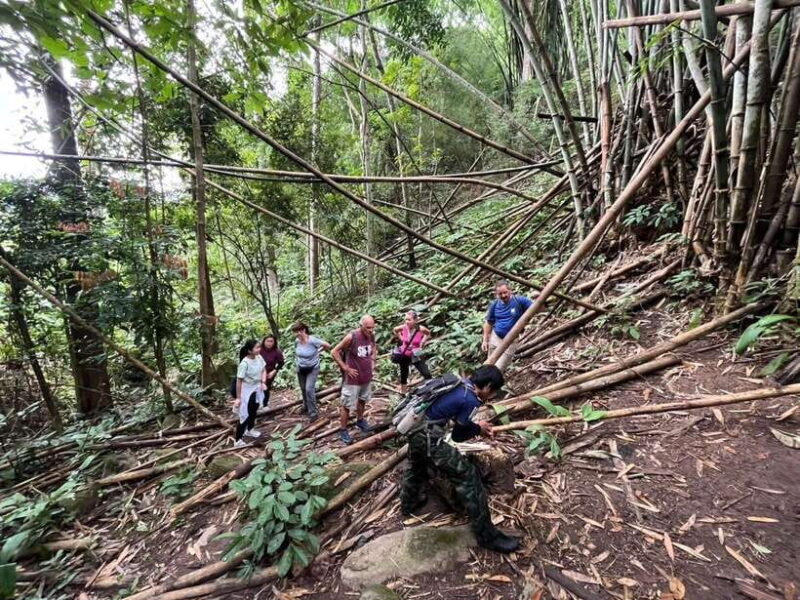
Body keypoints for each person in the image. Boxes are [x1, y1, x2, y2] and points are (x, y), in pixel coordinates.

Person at [400, 365, 520, 553]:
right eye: (493, 392)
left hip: (415, 431)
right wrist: (478, 428)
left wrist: (475, 426)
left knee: (416, 466)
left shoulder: (458, 383)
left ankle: (408, 504)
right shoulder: (470, 399)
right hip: (429, 439)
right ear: (488, 386)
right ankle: (487, 536)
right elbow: (458, 436)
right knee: (469, 476)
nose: (491, 396)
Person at [332, 315, 377, 445]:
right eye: (368, 328)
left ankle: (360, 420)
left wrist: (373, 361)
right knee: (347, 405)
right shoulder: (352, 337)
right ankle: (343, 430)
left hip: (366, 376)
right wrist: (345, 368)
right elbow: (334, 352)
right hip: (352, 378)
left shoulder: (371, 335)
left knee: (362, 399)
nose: (370, 330)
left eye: (372, 327)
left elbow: (374, 348)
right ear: (361, 326)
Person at [482, 279, 533, 372]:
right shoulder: (495, 304)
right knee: (489, 366)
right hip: (495, 338)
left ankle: (494, 380)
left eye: (505, 292)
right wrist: (485, 340)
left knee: (498, 369)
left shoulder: (519, 301)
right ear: (496, 294)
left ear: (510, 290)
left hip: (511, 341)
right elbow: (488, 322)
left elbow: (536, 307)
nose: (503, 295)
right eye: (500, 294)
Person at [293, 322, 330, 422]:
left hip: (313, 368)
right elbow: (297, 352)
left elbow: (327, 345)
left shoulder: (312, 340)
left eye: (298, 332)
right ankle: (305, 406)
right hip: (301, 368)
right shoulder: (297, 341)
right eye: (295, 332)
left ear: (303, 330)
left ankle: (313, 412)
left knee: (309, 389)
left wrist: (318, 351)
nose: (296, 334)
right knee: (303, 389)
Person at [234, 339, 266, 448]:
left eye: (259, 347)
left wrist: (263, 382)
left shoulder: (259, 357)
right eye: (257, 348)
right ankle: (238, 439)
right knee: (244, 413)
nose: (259, 349)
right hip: (246, 389)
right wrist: (238, 398)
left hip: (257, 387)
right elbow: (239, 381)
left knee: (253, 409)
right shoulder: (244, 364)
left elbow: (263, 370)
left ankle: (250, 429)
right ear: (249, 351)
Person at [392, 310, 432, 393]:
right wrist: (401, 338)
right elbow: (395, 329)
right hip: (405, 353)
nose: (407, 321)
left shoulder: (420, 329)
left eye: (409, 320)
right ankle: (403, 392)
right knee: (404, 374)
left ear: (415, 320)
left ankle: (431, 389)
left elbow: (428, 333)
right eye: (406, 319)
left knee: (426, 373)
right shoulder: (403, 327)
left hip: (416, 353)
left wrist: (422, 342)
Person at [259, 334, 284, 408]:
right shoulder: (259, 349)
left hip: (269, 373)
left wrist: (275, 371)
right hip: (257, 372)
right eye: (267, 341)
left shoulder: (277, 351)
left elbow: (281, 363)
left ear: (274, 342)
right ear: (264, 341)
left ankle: (265, 405)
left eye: (271, 341)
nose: (269, 343)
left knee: (266, 388)